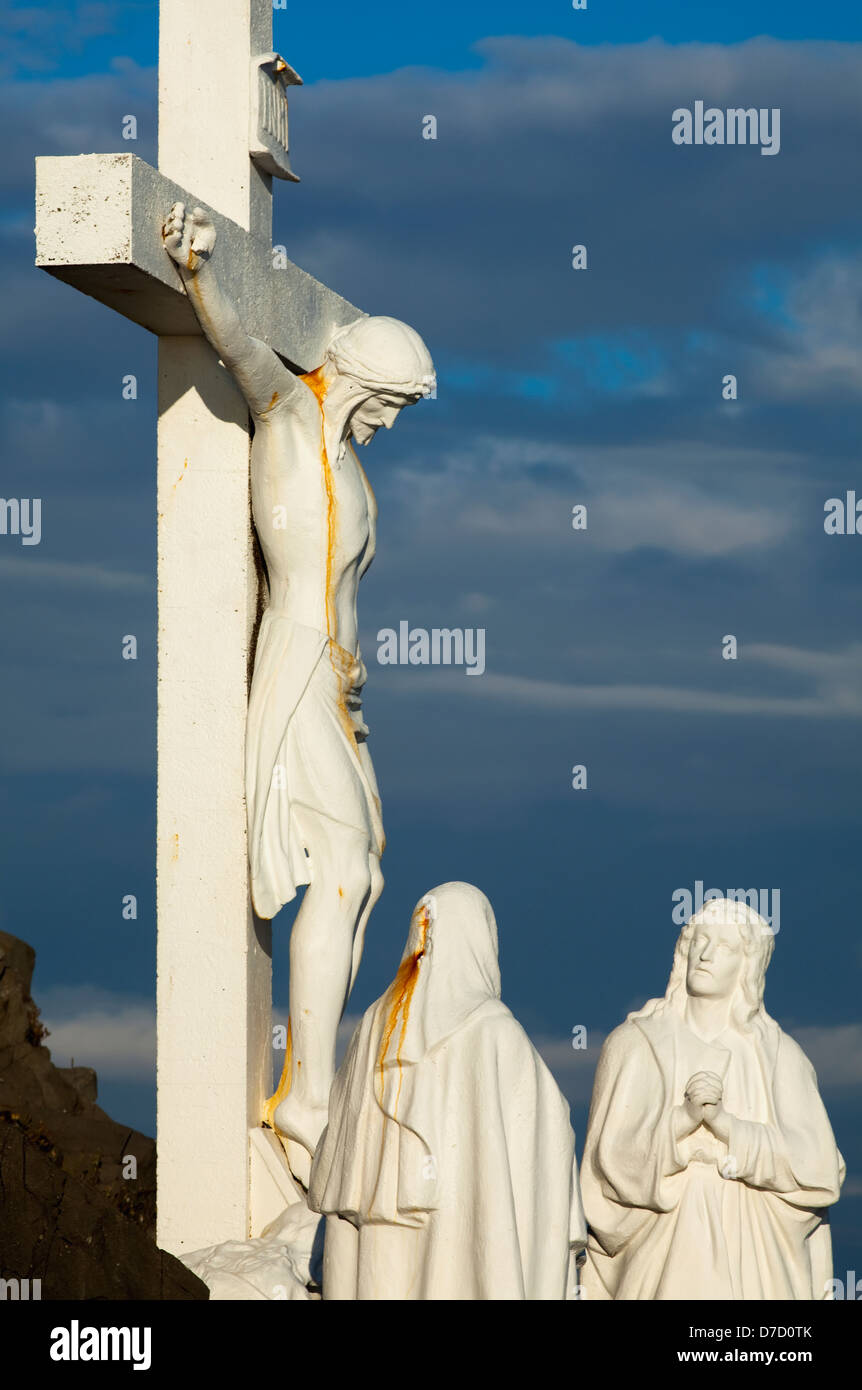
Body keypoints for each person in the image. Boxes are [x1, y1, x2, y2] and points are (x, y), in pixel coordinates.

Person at [162, 203, 435, 1184]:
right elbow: (238, 344)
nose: (394, 421)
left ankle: (315, 1083)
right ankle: (308, 1095)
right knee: (336, 871)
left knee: (361, 876)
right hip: (295, 660)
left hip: (340, 685)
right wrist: (197, 269)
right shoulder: (289, 417)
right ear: (357, 375)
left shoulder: (353, 464)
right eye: (393, 398)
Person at [308, 882, 586, 1299]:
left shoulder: (371, 1026)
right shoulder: (493, 1029)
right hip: (461, 1225)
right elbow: (546, 1132)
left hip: (380, 1236)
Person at [580, 897, 845, 1300]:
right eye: (698, 941)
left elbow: (819, 1168)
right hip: (663, 1254)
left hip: (755, 1258)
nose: (704, 955)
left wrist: (728, 1129)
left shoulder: (777, 1055)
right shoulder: (635, 1044)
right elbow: (608, 1162)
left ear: (747, 965)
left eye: (723, 947)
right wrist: (682, 1122)